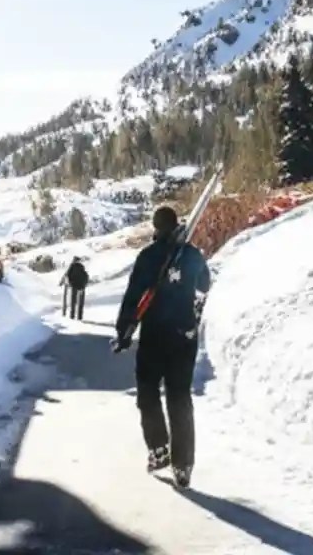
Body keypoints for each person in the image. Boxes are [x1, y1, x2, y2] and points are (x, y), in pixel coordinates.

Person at [112, 206, 210, 488]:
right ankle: (183, 465)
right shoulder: (192, 254)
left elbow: (133, 296)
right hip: (184, 335)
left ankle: (158, 449)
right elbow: (205, 284)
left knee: (148, 392)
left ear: (155, 227)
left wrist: (123, 331)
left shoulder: (148, 256)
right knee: (180, 397)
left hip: (154, 335)